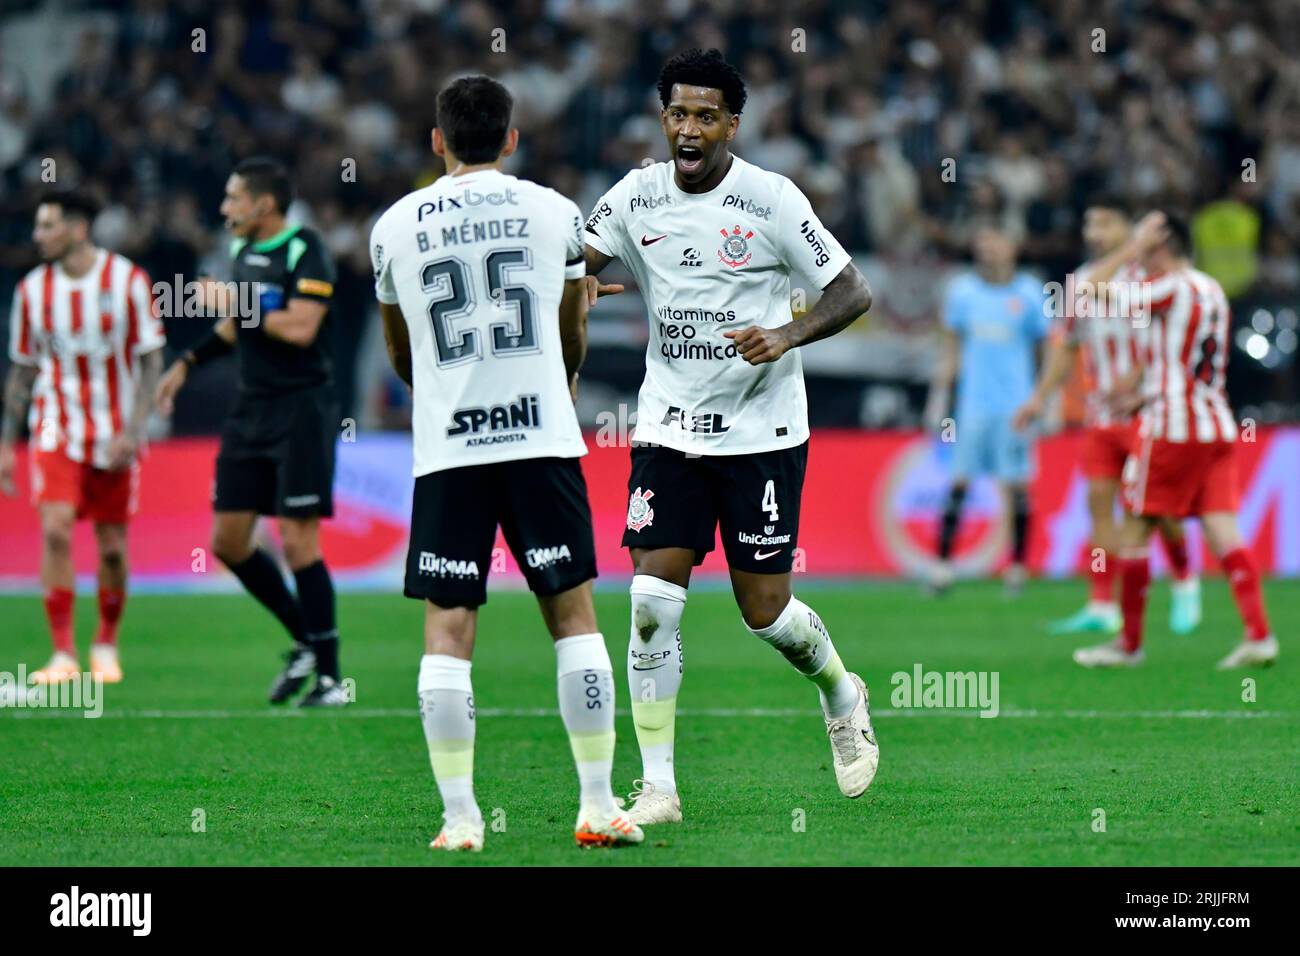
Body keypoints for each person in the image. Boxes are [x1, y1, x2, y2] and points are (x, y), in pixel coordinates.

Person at [582, 48, 879, 826]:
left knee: (767, 612)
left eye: (706, 116)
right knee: (651, 603)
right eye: (678, 114)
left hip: (762, 432)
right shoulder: (635, 195)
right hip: (668, 427)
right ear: (663, 118)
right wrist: (573, 285)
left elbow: (852, 291)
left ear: (732, 125)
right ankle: (659, 788)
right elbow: (576, 260)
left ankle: (841, 694)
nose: (690, 129)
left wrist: (786, 334)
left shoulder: (771, 200)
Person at [370, 75, 643, 851]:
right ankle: (597, 806)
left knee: (448, 629)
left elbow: (400, 349)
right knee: (573, 618)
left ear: (437, 140)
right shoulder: (556, 212)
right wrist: (565, 377)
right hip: (540, 440)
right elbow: (570, 331)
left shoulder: (393, 227)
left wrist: (443, 396)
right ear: (511, 139)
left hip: (451, 449)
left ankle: (460, 819)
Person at [154, 157, 346, 706]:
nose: (224, 208)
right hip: (251, 410)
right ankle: (305, 640)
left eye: (233, 198)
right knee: (229, 542)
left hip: (302, 410)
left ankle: (331, 678)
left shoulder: (305, 249)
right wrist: (188, 361)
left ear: (264, 204)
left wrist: (236, 302)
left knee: (298, 541)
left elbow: (301, 327)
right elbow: (240, 325)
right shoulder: (242, 252)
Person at [1071, 212, 1279, 669]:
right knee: (1224, 530)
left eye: (1146, 248)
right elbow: (1184, 361)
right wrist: (1144, 392)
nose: (1139, 260)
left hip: (1172, 428)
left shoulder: (1171, 287)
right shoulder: (1211, 288)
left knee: (1135, 530)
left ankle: (1129, 644)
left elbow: (1087, 289)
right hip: (1215, 423)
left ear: (1161, 245)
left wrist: (1129, 246)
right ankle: (1259, 635)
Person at [0, 189, 165, 685]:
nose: (38, 236)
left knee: (112, 546)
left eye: (48, 226)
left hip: (114, 432)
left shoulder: (128, 280)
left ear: (78, 228)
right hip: (55, 425)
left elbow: (150, 358)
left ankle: (106, 642)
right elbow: (22, 370)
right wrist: (6, 443)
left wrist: (134, 430)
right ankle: (63, 653)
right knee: (55, 529)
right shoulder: (31, 291)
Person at [1014, 197, 1199, 635]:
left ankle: (1185, 580)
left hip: (1149, 410)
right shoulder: (1080, 282)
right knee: (1099, 503)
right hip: (1101, 415)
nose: (1093, 233)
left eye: (1104, 224)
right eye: (1089, 224)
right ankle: (1102, 603)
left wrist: (1139, 378)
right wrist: (1038, 398)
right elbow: (1067, 345)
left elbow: (1173, 342)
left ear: (1128, 229)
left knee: (1157, 508)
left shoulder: (1152, 278)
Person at [925, 225, 1048, 595]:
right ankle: (942, 568)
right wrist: (938, 397)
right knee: (959, 482)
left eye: (995, 244)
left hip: (1016, 407)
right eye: (983, 246)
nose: (988, 252)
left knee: (1016, 486)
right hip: (973, 404)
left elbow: (1045, 350)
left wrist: (1045, 399)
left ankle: (1017, 568)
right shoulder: (963, 292)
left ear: (1011, 248)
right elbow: (951, 349)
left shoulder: (1029, 293)